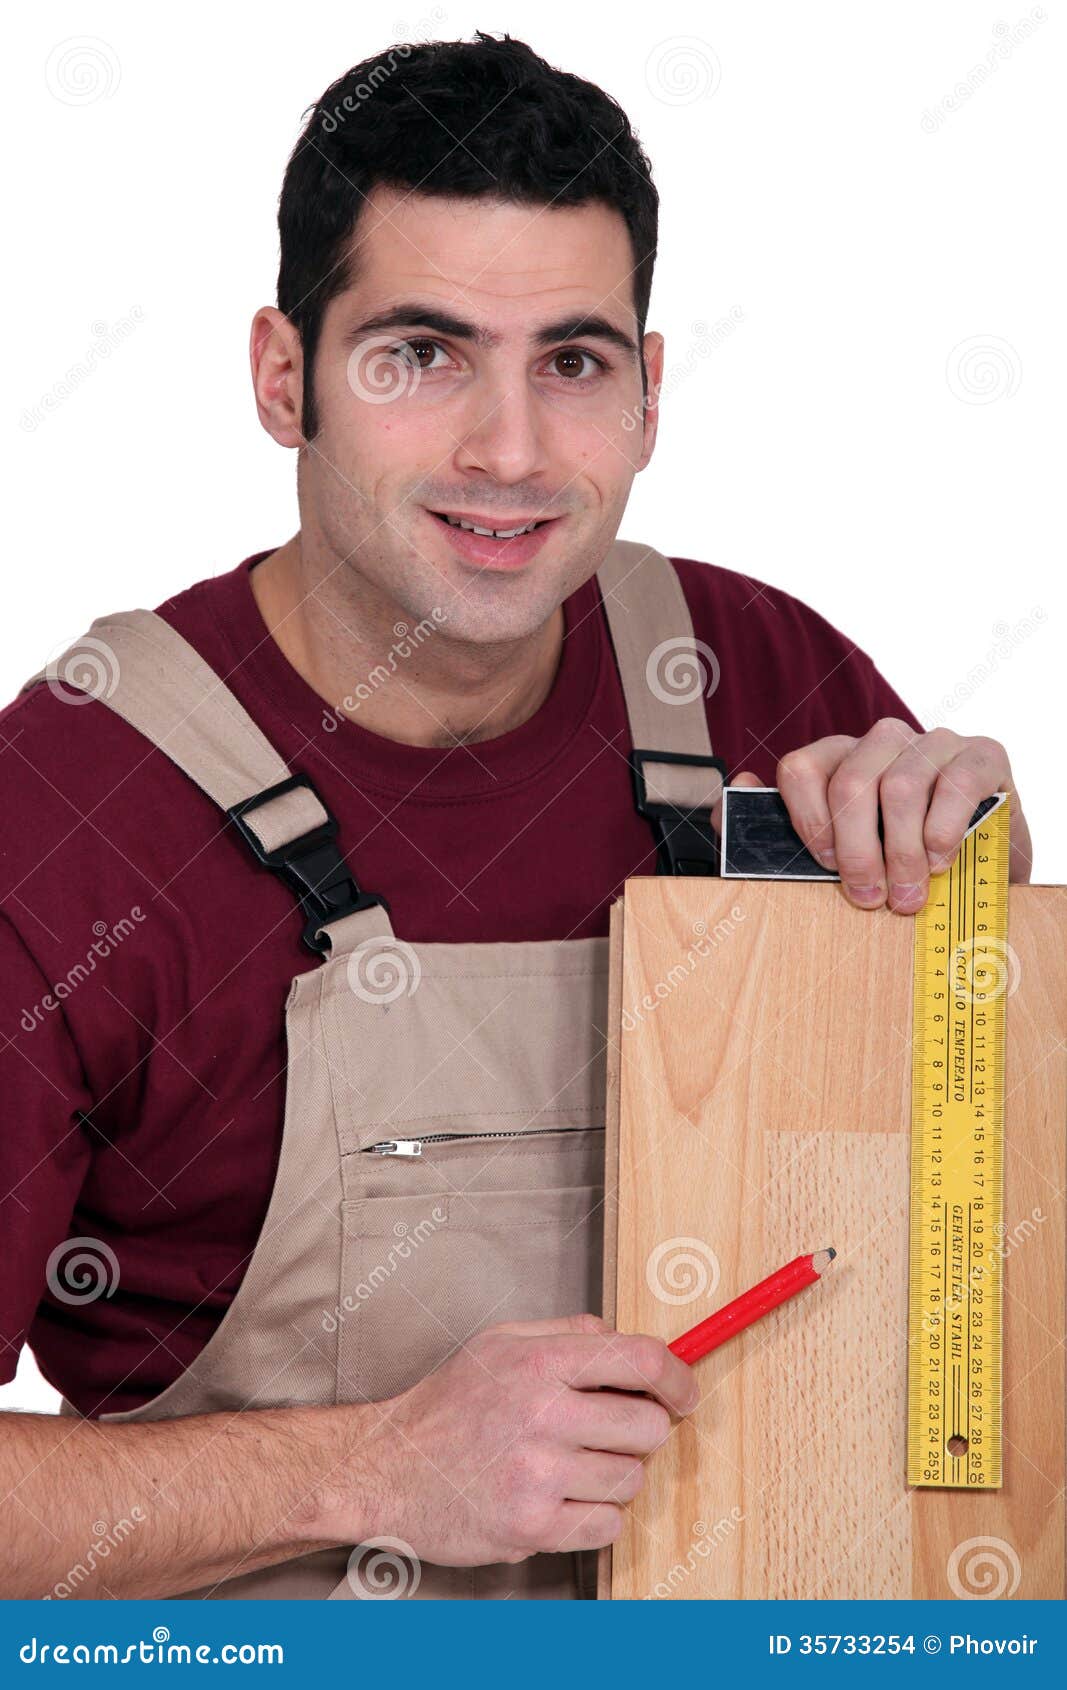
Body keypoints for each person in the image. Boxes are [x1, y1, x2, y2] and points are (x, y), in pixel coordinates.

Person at [0, 31, 1030, 1602]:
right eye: (421, 353)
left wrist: (982, 905)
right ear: (284, 379)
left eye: (572, 360)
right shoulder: (73, 811)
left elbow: (956, 1227)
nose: (511, 451)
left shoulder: (754, 677)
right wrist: (380, 1465)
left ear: (651, 387)